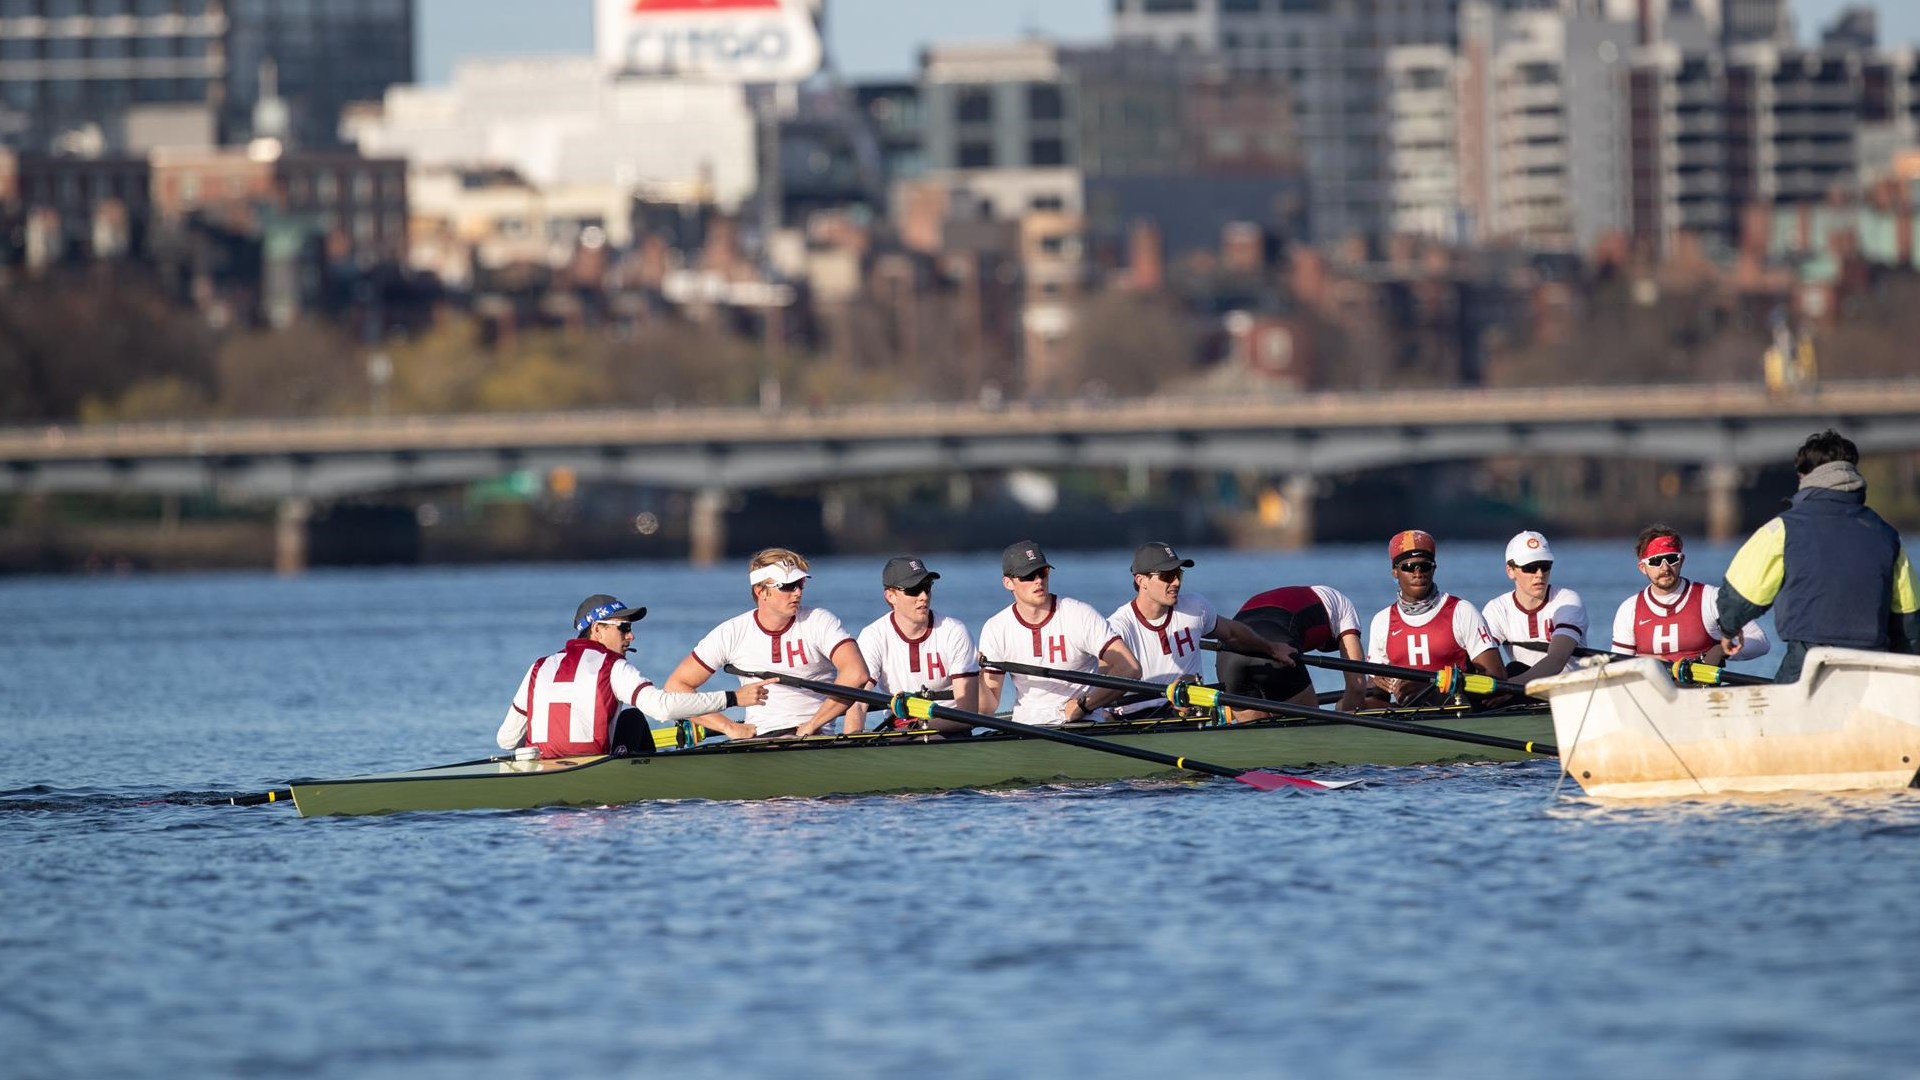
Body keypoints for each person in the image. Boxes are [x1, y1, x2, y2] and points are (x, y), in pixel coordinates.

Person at [1715, 429, 1920, 682]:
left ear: (1803, 477)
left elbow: (1739, 596)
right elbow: (1909, 619)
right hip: (1872, 665)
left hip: (1807, 661)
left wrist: (1728, 628)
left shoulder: (1782, 529)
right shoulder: (1888, 536)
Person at [496, 594, 772, 758]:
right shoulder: (611, 666)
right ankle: (653, 777)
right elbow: (662, 708)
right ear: (597, 630)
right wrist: (734, 698)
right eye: (624, 628)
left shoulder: (539, 666)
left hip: (545, 772)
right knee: (633, 718)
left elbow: (507, 741)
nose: (631, 635)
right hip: (599, 777)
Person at [662, 548, 870, 739]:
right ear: (761, 591)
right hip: (758, 738)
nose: (798, 592)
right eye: (787, 586)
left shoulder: (818, 621)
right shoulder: (732, 632)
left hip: (814, 735)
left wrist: (813, 723)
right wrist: (729, 727)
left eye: (800, 584)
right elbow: (676, 687)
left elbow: (856, 673)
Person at [1105, 541, 1298, 719]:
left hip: (1190, 711)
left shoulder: (1195, 608)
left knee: (1259, 713)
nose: (1176, 582)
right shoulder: (1117, 628)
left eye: (1178, 574)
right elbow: (1097, 678)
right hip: (1136, 717)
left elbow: (1232, 633)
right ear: (1141, 580)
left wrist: (1272, 648)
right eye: (1166, 576)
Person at [978, 540, 1142, 726]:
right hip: (1027, 727)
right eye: (1028, 576)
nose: (1038, 580)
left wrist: (1084, 706)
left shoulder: (1079, 614)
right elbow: (987, 708)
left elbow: (1130, 668)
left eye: (1043, 572)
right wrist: (976, 677)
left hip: (1082, 724)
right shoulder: (996, 628)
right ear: (1008, 583)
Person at [846, 556, 980, 736]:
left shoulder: (954, 632)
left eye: (927, 587)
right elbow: (858, 705)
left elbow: (967, 713)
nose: (923, 596)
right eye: (914, 590)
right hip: (899, 733)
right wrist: (852, 744)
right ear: (891, 596)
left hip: (950, 733)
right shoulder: (873, 636)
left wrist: (919, 728)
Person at [1365, 529, 1503, 704]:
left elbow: (1497, 678)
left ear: (1434, 569)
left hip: (1458, 712)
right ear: (1395, 571)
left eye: (1424, 566)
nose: (1417, 573)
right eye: (1408, 567)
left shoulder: (1461, 611)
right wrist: (1374, 690)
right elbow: (1376, 696)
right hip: (1409, 717)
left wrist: (1430, 689)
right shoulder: (1382, 621)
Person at [1610, 524, 1769, 665]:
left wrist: (1722, 651)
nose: (1665, 568)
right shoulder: (1630, 609)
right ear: (1642, 568)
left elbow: (1760, 641)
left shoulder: (1711, 598)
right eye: (1656, 561)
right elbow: (1618, 664)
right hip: (1650, 694)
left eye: (1671, 559)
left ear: (1682, 560)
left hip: (1701, 690)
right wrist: (1645, 661)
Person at [1215, 584, 1368, 714]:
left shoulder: (1298, 598)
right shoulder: (1343, 605)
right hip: (1276, 646)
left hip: (1226, 654)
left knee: (1257, 745)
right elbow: (1357, 685)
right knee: (1311, 738)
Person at [1479, 530, 1589, 685]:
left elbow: (1557, 660)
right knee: (1511, 669)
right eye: (1530, 567)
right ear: (1510, 571)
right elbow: (1480, 659)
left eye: (1545, 566)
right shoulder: (1497, 609)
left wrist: (1508, 688)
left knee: (1514, 671)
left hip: (1568, 691)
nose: (1539, 574)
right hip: (1522, 688)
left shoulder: (1567, 601)